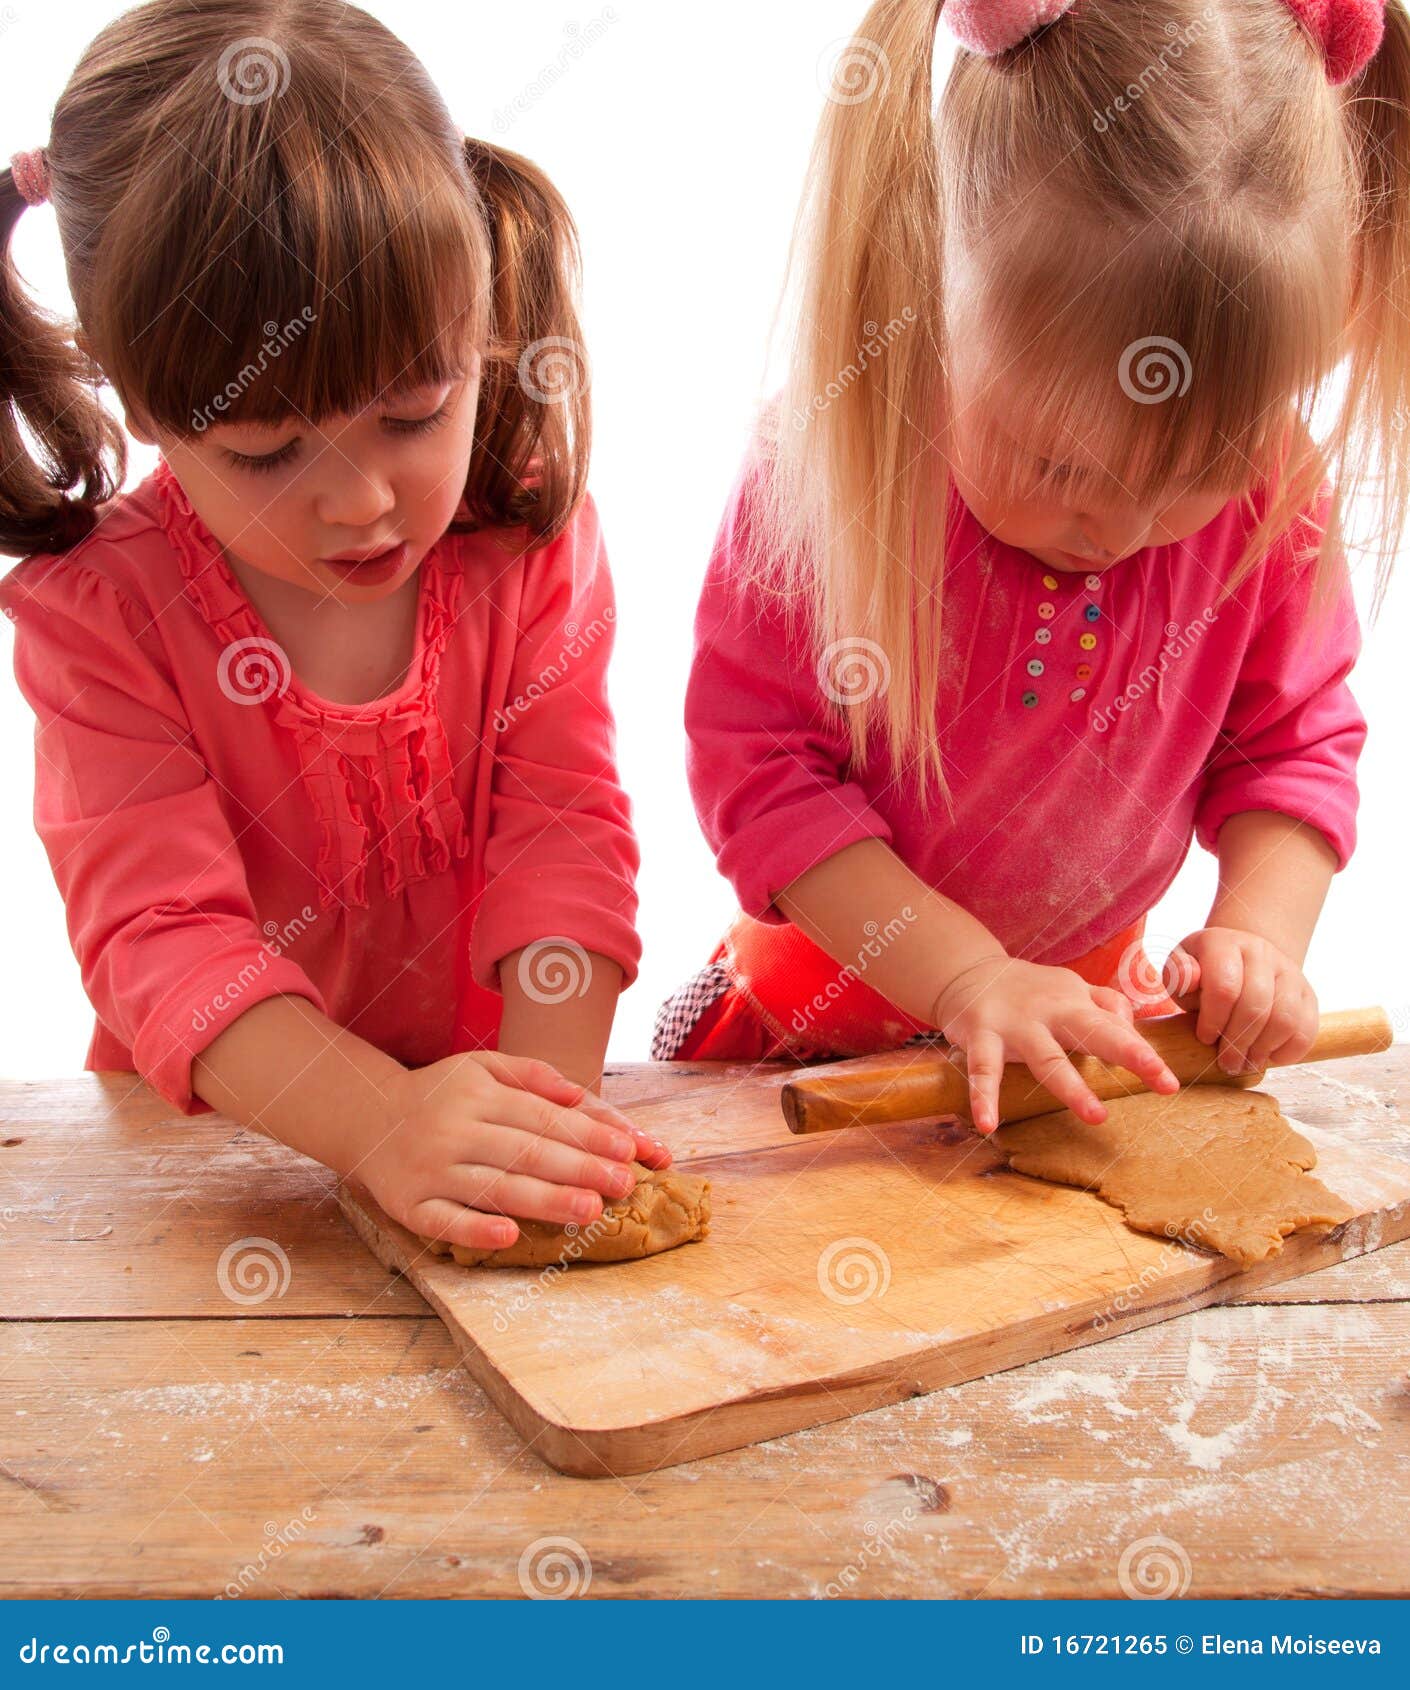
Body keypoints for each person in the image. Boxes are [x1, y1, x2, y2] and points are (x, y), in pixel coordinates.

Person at [655, 0, 1402, 1136]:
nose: (1121, 526)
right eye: (1059, 462)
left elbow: (1293, 742)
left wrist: (1259, 933)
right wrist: (966, 981)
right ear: (936, 294)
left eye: (1195, 473)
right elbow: (763, 775)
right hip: (804, 1057)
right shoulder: (833, 461)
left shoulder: (1271, 500)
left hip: (1071, 1051)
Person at [0, 0, 669, 1256]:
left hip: (469, 1128)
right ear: (142, 401)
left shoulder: (520, 538)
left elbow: (562, 825)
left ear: (479, 325)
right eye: (265, 449)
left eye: (416, 414)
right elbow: (162, 938)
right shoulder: (104, 615)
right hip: (211, 1178)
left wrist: (545, 1129)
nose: (361, 502)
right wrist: (378, 1126)